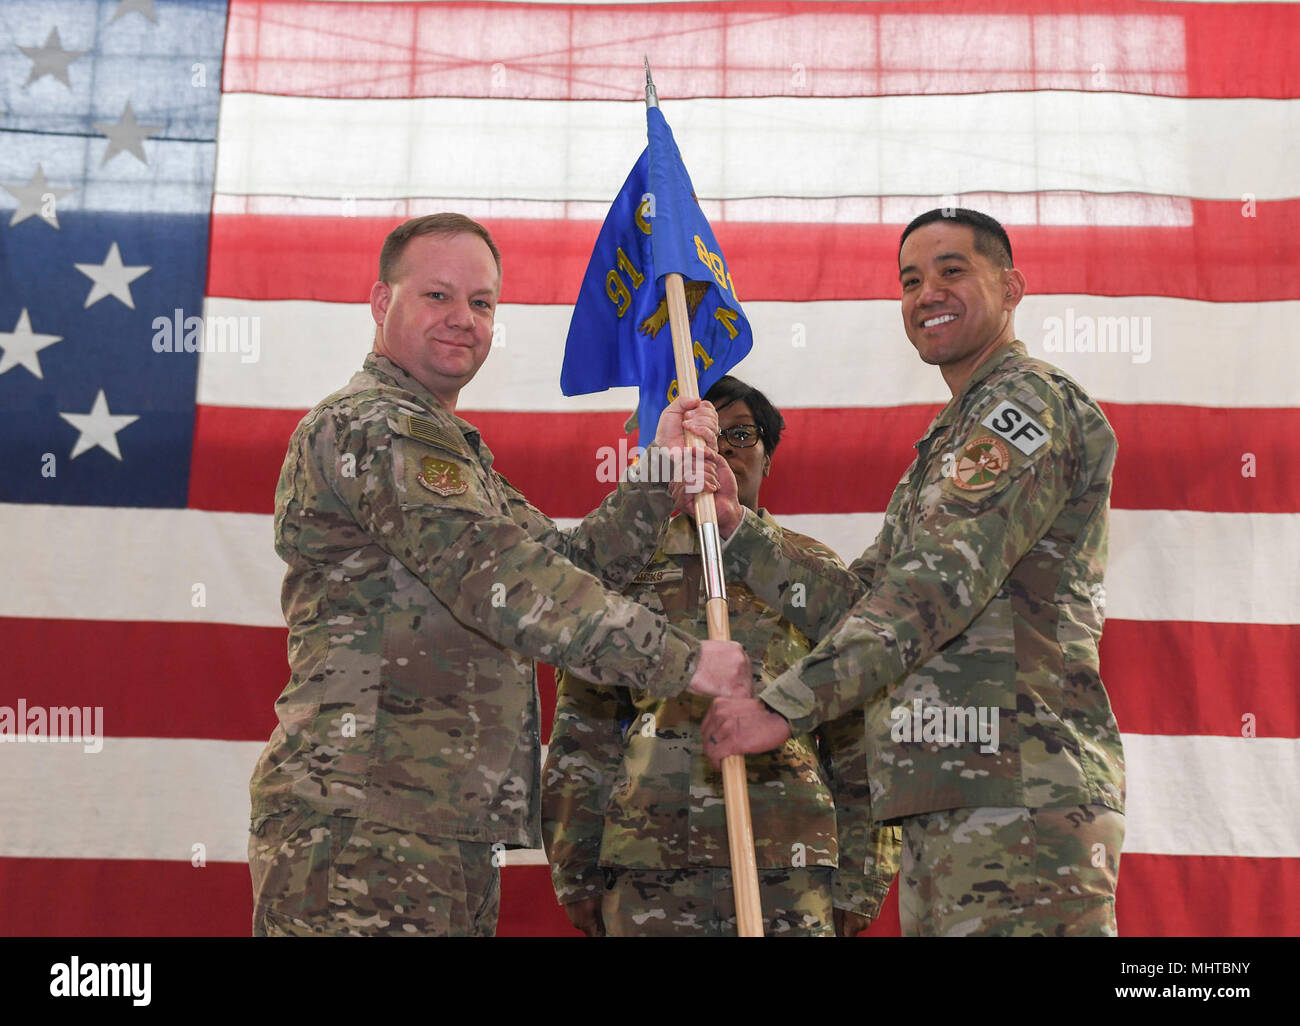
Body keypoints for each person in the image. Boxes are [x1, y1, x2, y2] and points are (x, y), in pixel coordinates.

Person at [247, 213, 751, 937]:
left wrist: (659, 478)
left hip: (435, 824)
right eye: (437, 297)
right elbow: (507, 582)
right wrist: (686, 660)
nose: (463, 319)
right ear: (381, 304)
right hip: (362, 826)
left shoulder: (451, 449)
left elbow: (561, 566)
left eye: (481, 303)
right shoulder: (375, 425)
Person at [701, 208, 1125, 937]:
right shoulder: (947, 440)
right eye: (910, 280)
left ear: (1012, 285)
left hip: (1019, 798)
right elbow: (859, 601)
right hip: (948, 796)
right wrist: (740, 530)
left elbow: (932, 588)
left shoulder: (1027, 405)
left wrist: (781, 707)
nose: (927, 291)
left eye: (952, 270)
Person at [542, 376, 900, 937]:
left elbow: (859, 724)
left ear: (769, 456)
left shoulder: (814, 573)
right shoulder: (625, 571)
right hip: (648, 861)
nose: (724, 447)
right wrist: (575, 871)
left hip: (791, 859)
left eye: (742, 434)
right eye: (707, 432)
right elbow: (584, 727)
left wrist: (863, 877)